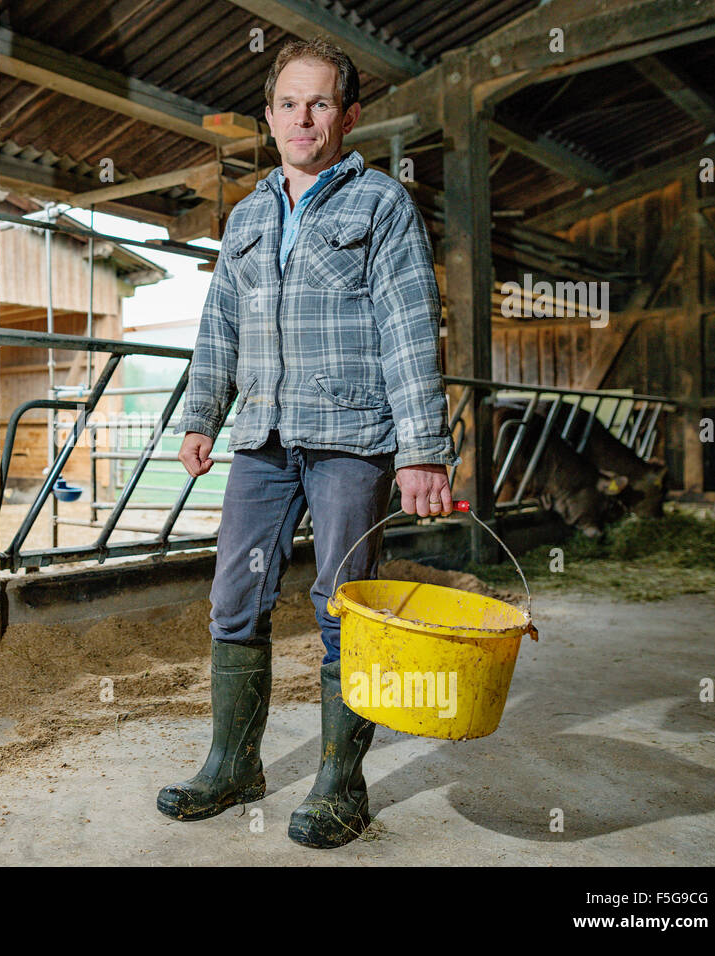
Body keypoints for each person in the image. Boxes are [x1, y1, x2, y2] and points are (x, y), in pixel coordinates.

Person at [157, 36, 456, 848]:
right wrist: (199, 416)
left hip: (352, 438)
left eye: (320, 102)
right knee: (233, 603)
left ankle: (340, 782)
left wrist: (422, 449)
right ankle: (232, 764)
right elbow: (220, 325)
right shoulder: (248, 216)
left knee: (344, 610)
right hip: (263, 436)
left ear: (348, 116)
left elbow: (407, 329)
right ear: (268, 116)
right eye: (288, 103)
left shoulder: (381, 206)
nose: (303, 117)